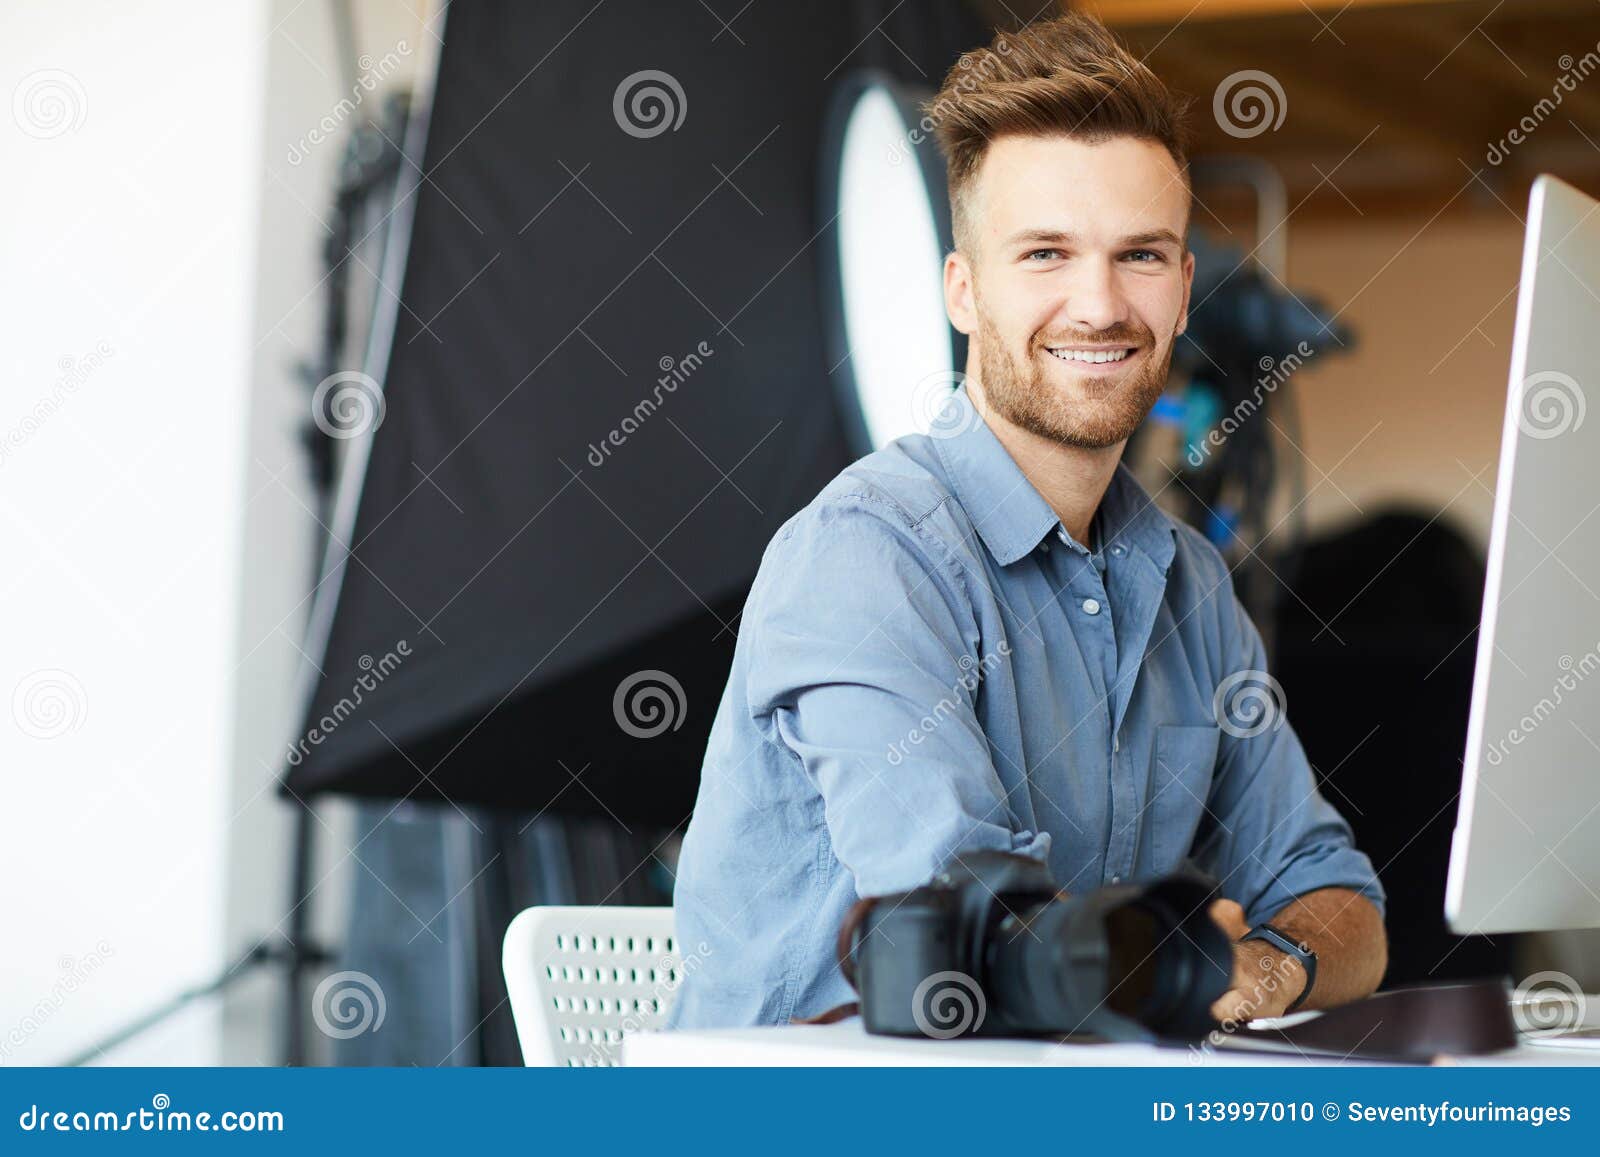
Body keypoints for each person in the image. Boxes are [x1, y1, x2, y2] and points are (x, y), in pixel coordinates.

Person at [667, 11, 1386, 1031]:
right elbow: (974, 937)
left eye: (1138, 255)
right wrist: (1183, 952)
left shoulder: (1190, 584)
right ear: (962, 289)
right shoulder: (865, 560)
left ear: (1183, 292)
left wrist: (1267, 968)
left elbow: (1338, 895)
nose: (1097, 305)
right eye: (1045, 253)